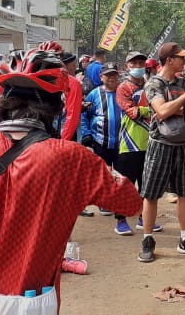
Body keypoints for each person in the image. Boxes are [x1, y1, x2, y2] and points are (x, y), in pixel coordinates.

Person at [0, 50, 142, 314]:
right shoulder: (73, 158)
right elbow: (131, 203)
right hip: (32, 300)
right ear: (56, 108)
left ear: (3, 100)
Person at [139, 43, 185, 262]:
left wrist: (174, 108)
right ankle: (147, 240)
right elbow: (161, 110)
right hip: (161, 144)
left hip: (184, 144)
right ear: (169, 60)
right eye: (181, 58)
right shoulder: (154, 84)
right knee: (151, 194)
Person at [113, 51, 161, 234]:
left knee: (147, 184)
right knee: (126, 184)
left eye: (141, 63)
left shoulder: (150, 85)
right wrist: (154, 109)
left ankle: (144, 218)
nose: (138, 66)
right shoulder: (123, 88)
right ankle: (120, 220)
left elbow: (161, 108)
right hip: (130, 143)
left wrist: (153, 109)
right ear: (127, 66)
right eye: (134, 63)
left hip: (151, 142)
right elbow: (132, 112)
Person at [81, 62, 123, 217]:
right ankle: (103, 202)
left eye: (114, 74)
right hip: (100, 141)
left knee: (120, 173)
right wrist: (86, 134)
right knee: (102, 173)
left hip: (122, 142)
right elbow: (84, 114)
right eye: (108, 75)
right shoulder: (94, 94)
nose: (112, 78)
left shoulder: (123, 92)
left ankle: (117, 202)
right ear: (101, 77)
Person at [59, 51, 83, 142]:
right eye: (73, 65)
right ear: (65, 66)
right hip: (66, 131)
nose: (75, 68)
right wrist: (64, 140)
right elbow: (72, 115)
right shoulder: (73, 82)